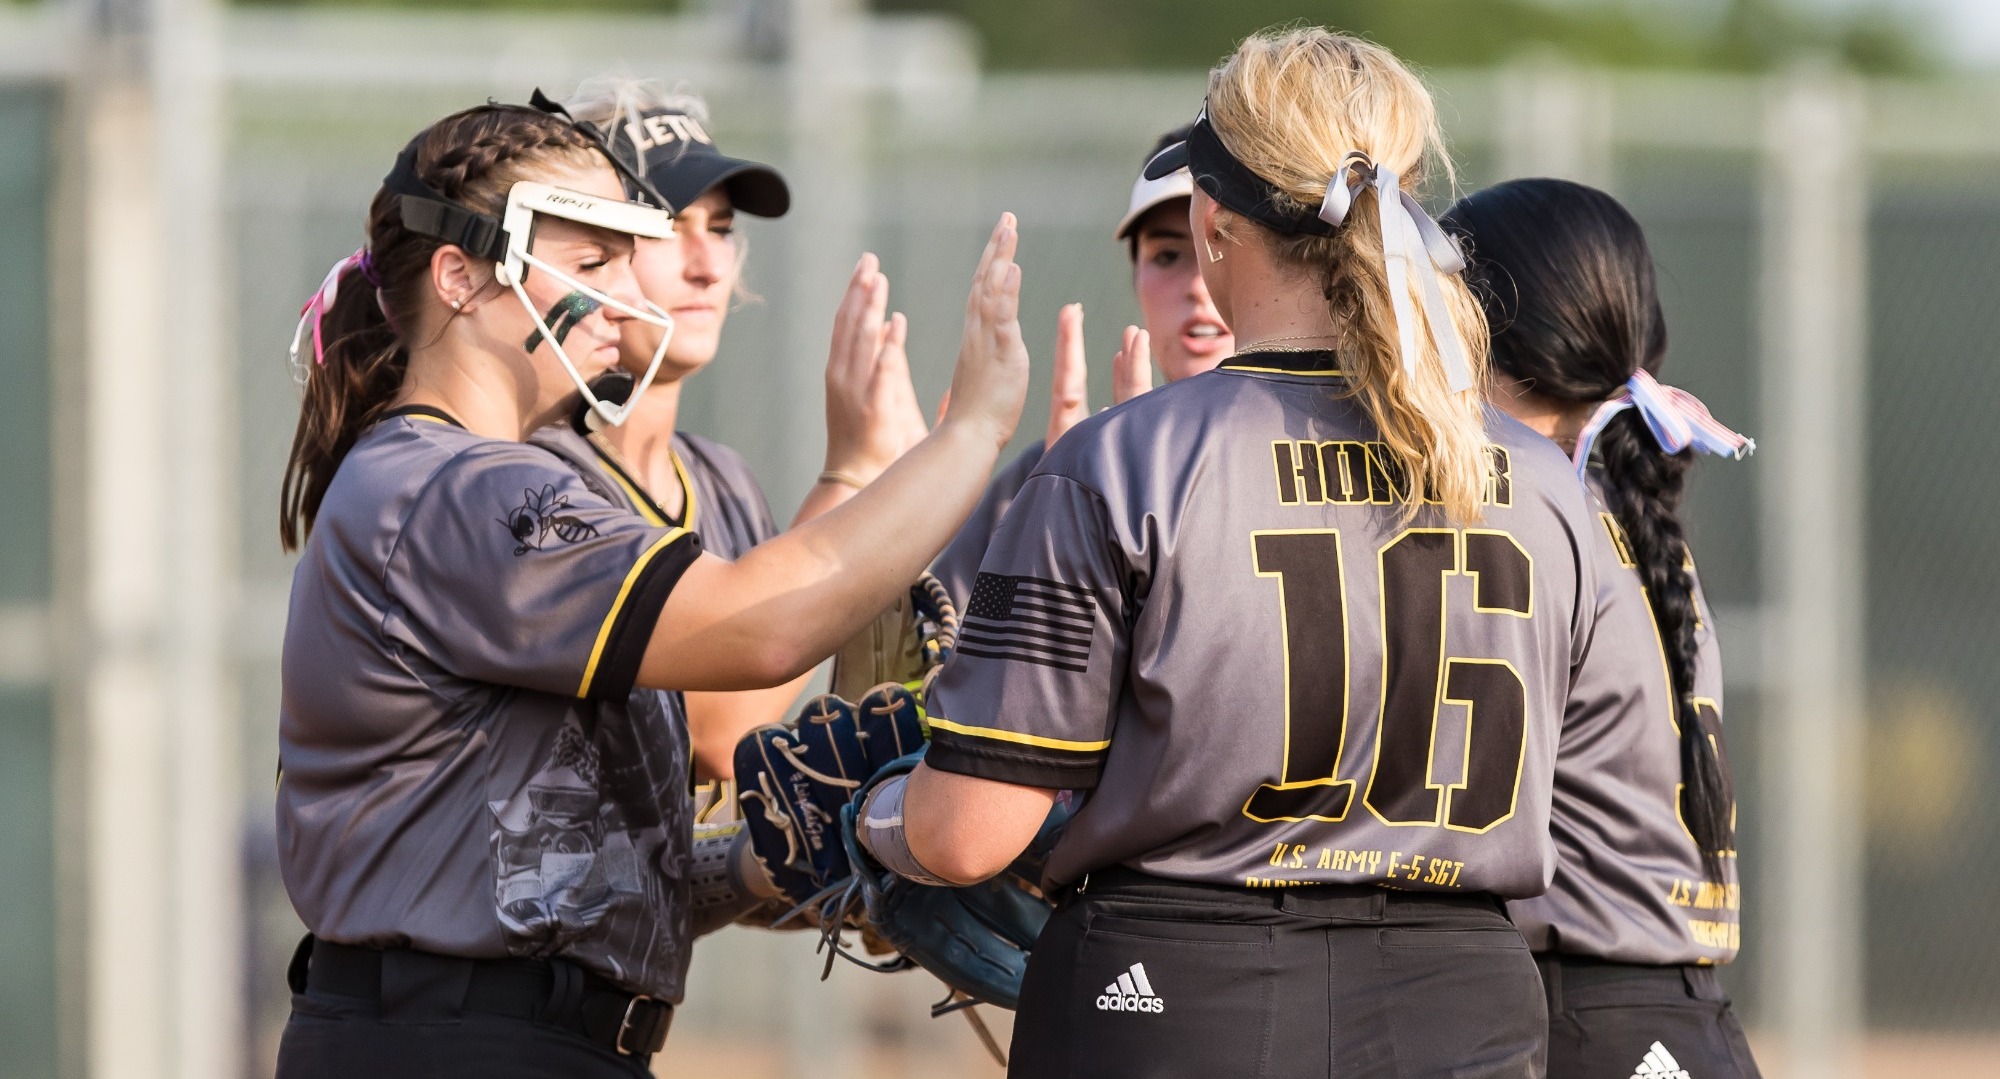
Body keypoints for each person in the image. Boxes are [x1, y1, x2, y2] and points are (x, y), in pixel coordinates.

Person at [854, 27, 1602, 1077]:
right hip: (1462, 996)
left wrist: (873, 813)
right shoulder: (1540, 481)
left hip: (1177, 986)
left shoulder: (1114, 462)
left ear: (1212, 222)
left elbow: (966, 833)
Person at [273, 99, 1027, 1076]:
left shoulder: (459, 477)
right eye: (589, 265)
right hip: (452, 1038)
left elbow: (566, 865)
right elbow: (763, 628)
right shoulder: (453, 485)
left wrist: (798, 853)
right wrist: (971, 429)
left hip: (519, 1033)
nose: (630, 293)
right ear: (459, 275)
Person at [1443, 178, 1761, 1079]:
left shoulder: (1529, 524)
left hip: (1583, 1019)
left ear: (1474, 331)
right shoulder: (1621, 510)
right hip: (1679, 1019)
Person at [533, 78, 929, 785]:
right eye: (665, 226)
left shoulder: (720, 478)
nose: (708, 264)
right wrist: (853, 473)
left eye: (719, 229)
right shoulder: (540, 476)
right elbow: (720, 734)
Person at [931, 122, 1233, 604]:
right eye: (1170, 254)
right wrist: (1059, 526)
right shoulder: (1057, 472)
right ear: (1135, 277)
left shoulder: (1328, 460)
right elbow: (942, 657)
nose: (1197, 285)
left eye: (1221, 246)